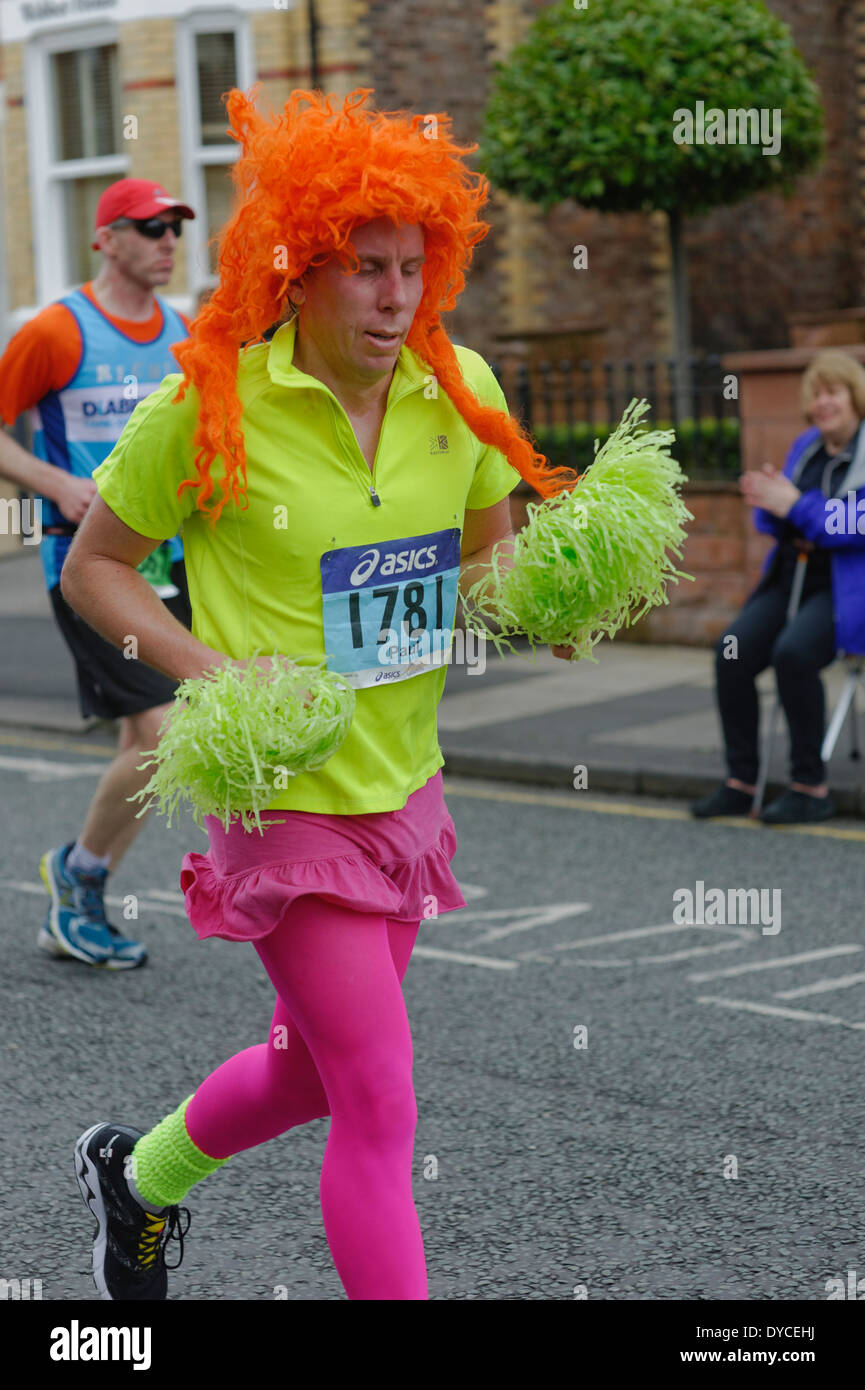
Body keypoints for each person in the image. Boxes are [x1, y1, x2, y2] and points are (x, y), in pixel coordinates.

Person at [63, 87, 578, 1301]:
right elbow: (96, 566)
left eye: (414, 267)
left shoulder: (462, 392)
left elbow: (485, 570)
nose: (397, 295)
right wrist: (213, 670)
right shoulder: (212, 405)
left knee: (311, 1071)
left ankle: (137, 1181)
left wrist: (551, 600)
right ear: (297, 269)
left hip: (401, 788)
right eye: (365, 267)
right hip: (278, 798)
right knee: (381, 1100)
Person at [0, 179, 196, 968]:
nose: (167, 242)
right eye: (149, 228)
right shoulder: (55, 331)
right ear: (106, 239)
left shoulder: (182, 333)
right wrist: (52, 484)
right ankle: (77, 875)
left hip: (169, 566)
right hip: (85, 568)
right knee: (164, 733)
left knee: (140, 740)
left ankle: (80, 895)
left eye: (175, 228)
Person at [692, 349, 865, 825]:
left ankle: (811, 787)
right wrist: (768, 499)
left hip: (844, 589)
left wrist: (795, 505)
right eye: (816, 394)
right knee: (730, 650)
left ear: (855, 397)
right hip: (790, 576)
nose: (822, 402)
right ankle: (741, 783)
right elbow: (777, 517)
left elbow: (852, 524)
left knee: (793, 654)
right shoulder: (807, 446)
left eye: (833, 392)